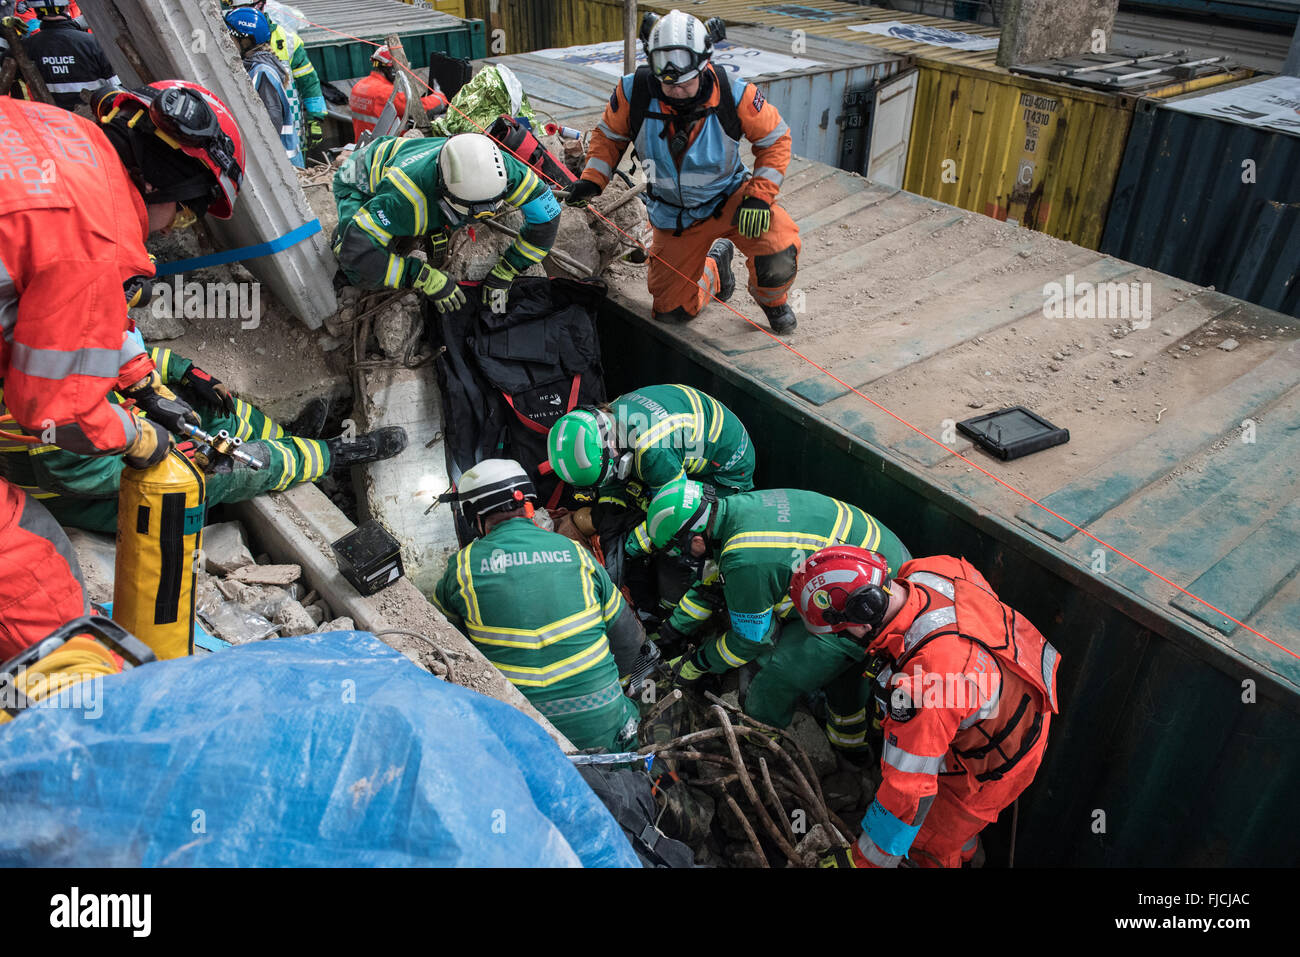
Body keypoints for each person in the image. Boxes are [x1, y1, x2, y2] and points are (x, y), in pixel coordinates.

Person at [0, 80, 244, 658]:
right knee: (36, 585)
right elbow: (57, 415)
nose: (168, 228)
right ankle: (70, 725)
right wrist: (138, 439)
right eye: (183, 215)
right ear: (171, 181)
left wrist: (140, 379)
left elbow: (64, 296)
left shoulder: (56, 134)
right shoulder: (95, 232)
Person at [788, 547, 1061, 868]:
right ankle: (968, 849)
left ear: (862, 617)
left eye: (841, 630)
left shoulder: (925, 685)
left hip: (988, 765)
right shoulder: (930, 570)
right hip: (1008, 702)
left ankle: (950, 853)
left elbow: (908, 793)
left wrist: (859, 863)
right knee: (954, 828)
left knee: (930, 844)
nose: (844, 639)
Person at [0, 342, 408, 534]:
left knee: (214, 407)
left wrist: (184, 372)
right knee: (227, 468)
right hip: (103, 496)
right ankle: (333, 456)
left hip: (110, 437)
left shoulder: (50, 328)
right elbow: (90, 473)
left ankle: (286, 440)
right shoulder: (43, 409)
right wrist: (168, 453)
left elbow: (121, 350)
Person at [565, 10, 801, 335]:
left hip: (730, 200)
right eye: (667, 82)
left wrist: (760, 196)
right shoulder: (634, 92)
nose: (674, 89)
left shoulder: (734, 94)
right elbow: (609, 136)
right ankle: (715, 270)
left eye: (684, 82)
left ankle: (772, 301)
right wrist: (592, 179)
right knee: (672, 313)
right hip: (675, 216)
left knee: (779, 250)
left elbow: (775, 139)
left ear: (704, 67)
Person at [637, 479, 911, 751]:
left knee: (769, 672)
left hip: (867, 608)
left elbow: (750, 641)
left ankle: (762, 743)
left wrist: (695, 663)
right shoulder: (740, 507)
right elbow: (715, 584)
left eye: (682, 549)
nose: (683, 557)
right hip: (887, 568)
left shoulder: (744, 559)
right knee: (845, 678)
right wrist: (672, 629)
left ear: (697, 539)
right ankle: (851, 743)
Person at [432, 459, 645, 752]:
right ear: (528, 504)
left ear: (473, 514)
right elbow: (630, 639)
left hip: (520, 736)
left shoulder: (462, 568)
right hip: (602, 728)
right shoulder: (576, 553)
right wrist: (614, 686)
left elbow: (444, 642)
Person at [333, 132, 561, 316]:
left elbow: (547, 217)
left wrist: (506, 271)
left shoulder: (502, 169)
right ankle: (338, 237)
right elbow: (358, 255)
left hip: (411, 162)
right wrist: (422, 276)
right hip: (357, 177)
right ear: (443, 197)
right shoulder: (404, 199)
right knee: (357, 264)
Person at [546, 383, 755, 553]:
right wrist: (610, 505)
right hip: (688, 434)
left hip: (727, 472)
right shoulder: (610, 416)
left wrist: (637, 543)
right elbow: (612, 475)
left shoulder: (652, 450)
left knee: (684, 540)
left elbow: (675, 512)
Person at [222, 0, 327, 150]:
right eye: (234, 8)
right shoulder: (231, 36)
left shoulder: (287, 40)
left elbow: (309, 80)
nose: (238, 13)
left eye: (242, 8)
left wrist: (316, 117)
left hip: (290, 122)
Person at [225, 5, 302, 168]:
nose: (227, 42)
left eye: (230, 37)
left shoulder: (263, 72)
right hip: (280, 163)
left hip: (282, 165)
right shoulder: (256, 68)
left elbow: (269, 127)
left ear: (245, 40)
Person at [18, 0, 118, 112]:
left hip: (47, 121)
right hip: (93, 122)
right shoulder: (95, 44)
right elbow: (117, 89)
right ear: (65, 6)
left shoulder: (24, 48)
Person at [349, 44, 448, 142]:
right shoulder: (384, 91)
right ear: (392, 69)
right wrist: (440, 97)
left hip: (363, 144)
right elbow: (420, 108)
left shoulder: (358, 86)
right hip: (385, 146)